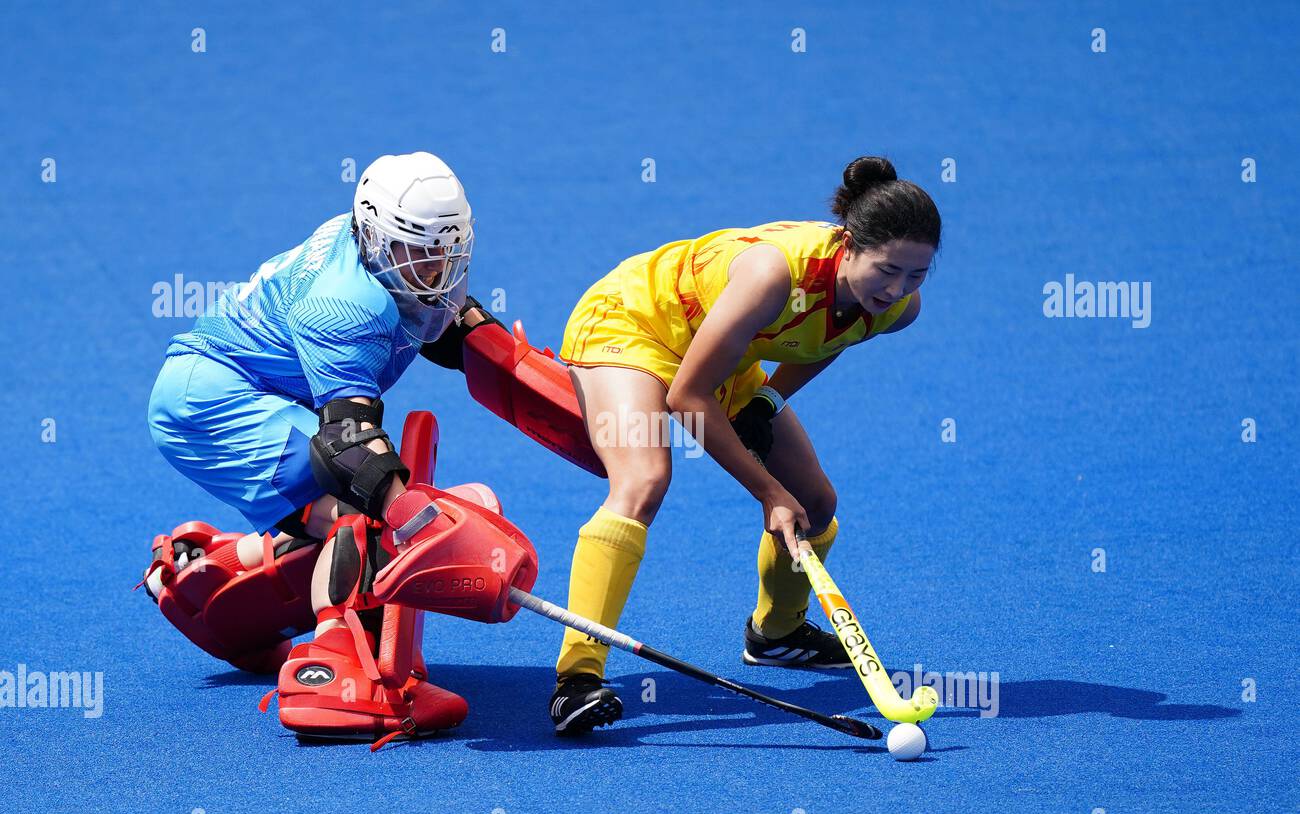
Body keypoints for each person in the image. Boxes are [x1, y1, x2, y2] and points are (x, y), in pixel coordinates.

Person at [547, 156, 942, 733]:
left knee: (816, 503)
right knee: (644, 481)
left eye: (917, 276)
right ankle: (576, 678)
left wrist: (769, 402)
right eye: (887, 270)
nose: (898, 289)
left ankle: (776, 633)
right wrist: (766, 489)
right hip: (634, 323)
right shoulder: (772, 276)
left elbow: (837, 332)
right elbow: (688, 398)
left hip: (725, 347)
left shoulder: (896, 307)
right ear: (849, 245)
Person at [146, 151, 509, 744]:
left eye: (446, 250)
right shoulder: (346, 305)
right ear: (375, 235)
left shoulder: (380, 255)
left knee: (364, 508)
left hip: (249, 389)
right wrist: (423, 526)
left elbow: (443, 327)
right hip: (211, 399)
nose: (434, 269)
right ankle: (335, 678)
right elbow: (349, 447)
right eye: (417, 251)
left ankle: (215, 586)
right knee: (366, 512)